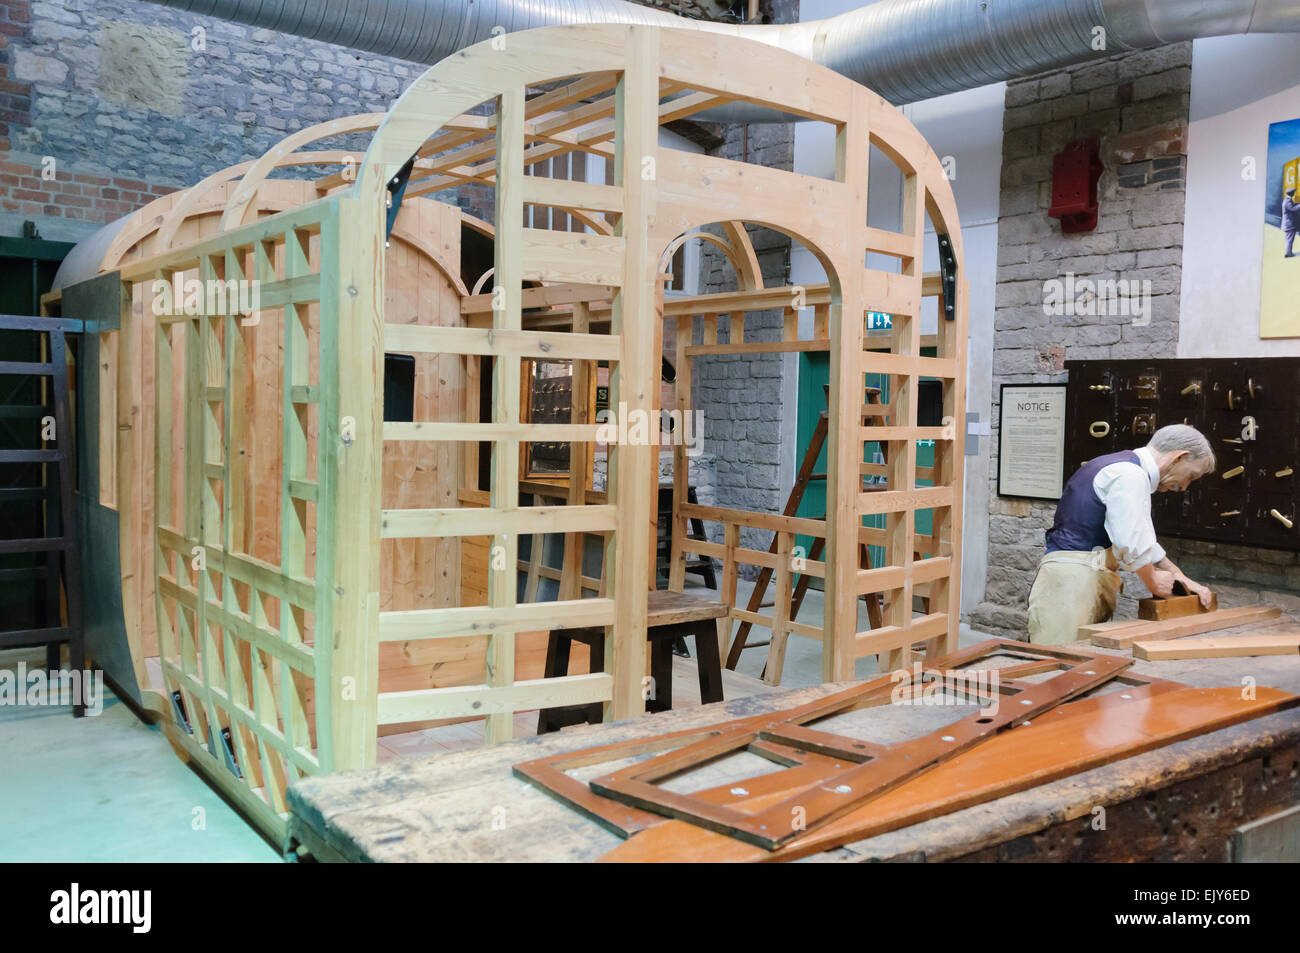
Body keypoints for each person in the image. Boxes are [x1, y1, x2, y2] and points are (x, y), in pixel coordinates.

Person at [1027, 424, 1217, 645]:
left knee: (1078, 659)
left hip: (1079, 579)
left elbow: (1142, 537)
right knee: (1058, 658)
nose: (1184, 486)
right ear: (1179, 457)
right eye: (1191, 476)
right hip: (1072, 584)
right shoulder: (1130, 475)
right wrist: (1154, 582)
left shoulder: (1122, 468)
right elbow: (1130, 542)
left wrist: (1178, 576)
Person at [1285, 187, 1300, 258]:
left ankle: (1288, 252)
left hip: (1289, 223)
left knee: (1289, 239)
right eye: (1293, 192)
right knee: (1289, 240)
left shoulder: (1287, 200)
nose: (1294, 193)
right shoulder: (1288, 201)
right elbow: (1293, 209)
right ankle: (1288, 254)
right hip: (1289, 224)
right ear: (1291, 193)